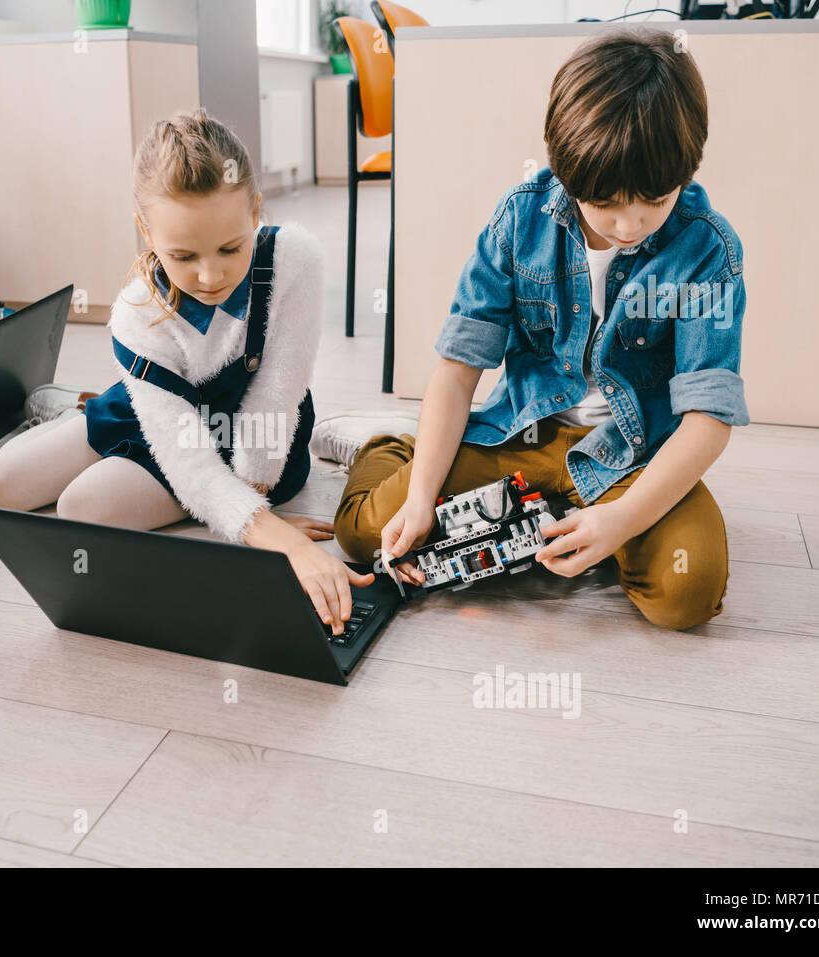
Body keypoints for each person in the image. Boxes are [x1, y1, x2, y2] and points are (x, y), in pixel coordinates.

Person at [320, 27, 747, 631]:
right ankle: (389, 446)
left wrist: (620, 523)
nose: (632, 225)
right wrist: (421, 500)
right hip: (518, 437)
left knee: (688, 593)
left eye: (655, 199)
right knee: (367, 535)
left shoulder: (708, 248)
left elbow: (708, 421)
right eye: (608, 204)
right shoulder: (520, 218)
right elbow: (458, 368)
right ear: (567, 173)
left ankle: (567, 520)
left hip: (631, 458)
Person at [0, 108, 373, 635]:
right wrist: (270, 533)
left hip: (253, 441)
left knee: (82, 507)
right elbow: (184, 458)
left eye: (231, 248)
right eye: (183, 255)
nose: (210, 275)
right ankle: (73, 410)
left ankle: (88, 425)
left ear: (255, 211)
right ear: (146, 230)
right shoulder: (134, 314)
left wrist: (257, 522)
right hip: (162, 423)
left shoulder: (295, 259)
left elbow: (274, 403)